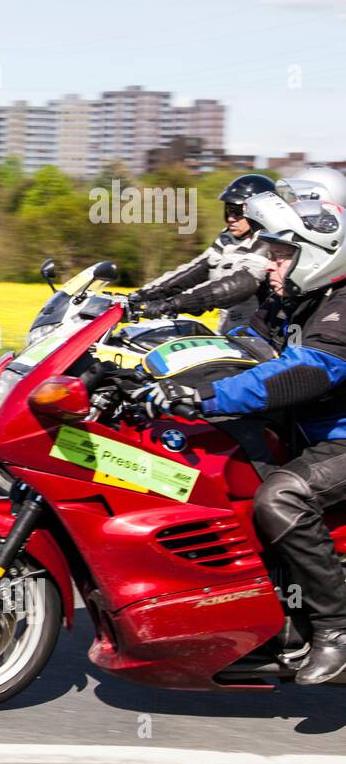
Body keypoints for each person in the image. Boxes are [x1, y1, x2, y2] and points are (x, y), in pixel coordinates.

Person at [136, 191, 346, 684]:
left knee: (282, 498)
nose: (269, 262)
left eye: (281, 253)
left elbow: (301, 374)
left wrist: (203, 398)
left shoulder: (342, 308)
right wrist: (150, 368)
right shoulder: (288, 301)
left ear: (316, 253)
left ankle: (336, 631)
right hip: (307, 431)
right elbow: (236, 349)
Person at [129, 174, 277, 332]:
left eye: (237, 211)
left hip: (261, 339)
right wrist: (140, 296)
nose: (230, 218)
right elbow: (195, 271)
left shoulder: (270, 243)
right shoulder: (229, 238)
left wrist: (174, 304)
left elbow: (240, 284)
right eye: (228, 210)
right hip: (232, 333)